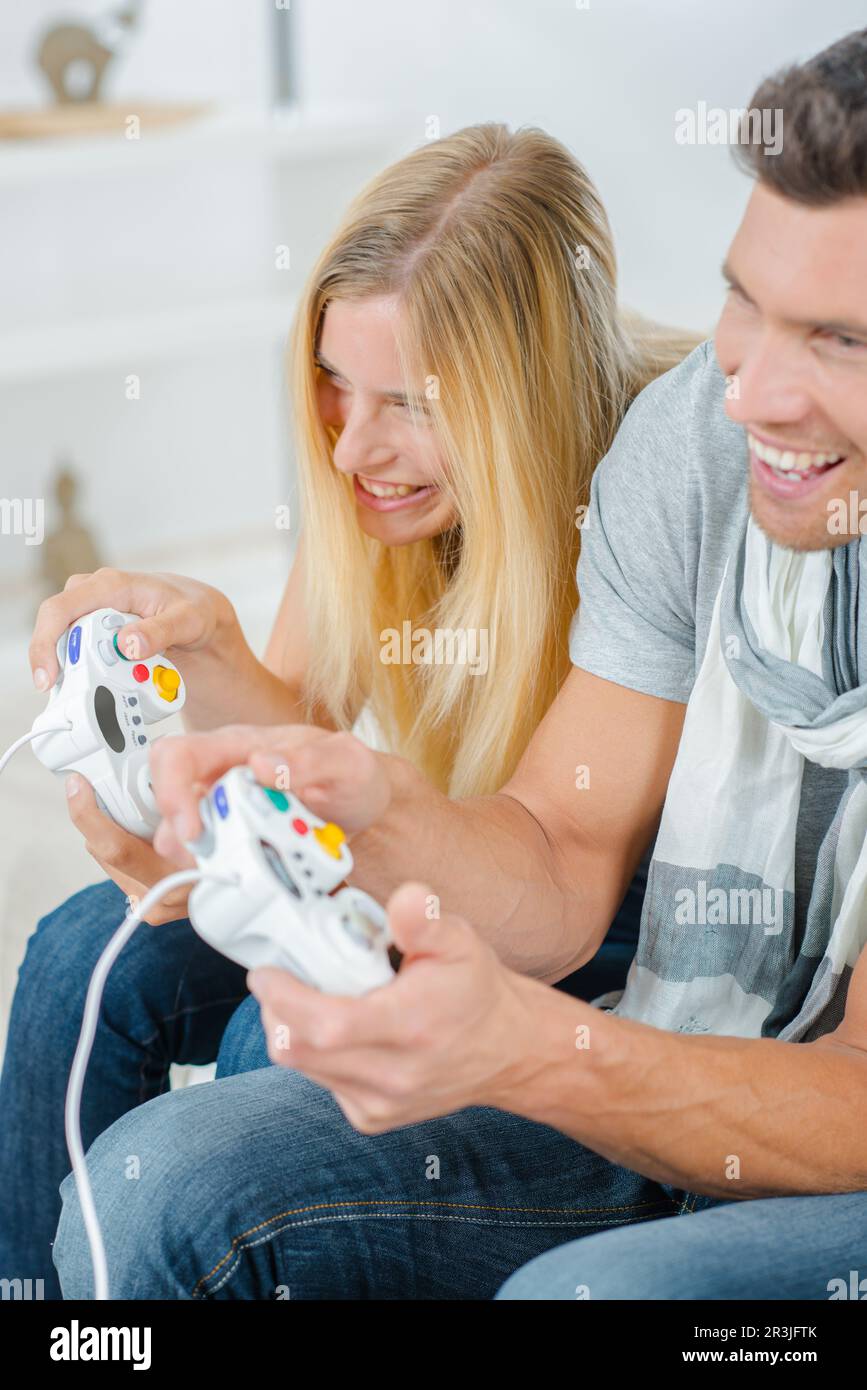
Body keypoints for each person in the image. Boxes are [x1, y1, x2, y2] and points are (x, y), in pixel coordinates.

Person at [49, 27, 867, 1300]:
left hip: (785, 1093)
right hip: (661, 998)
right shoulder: (696, 445)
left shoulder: (619, 464)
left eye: (839, 341)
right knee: (140, 1142)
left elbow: (847, 1095)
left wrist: (523, 1046)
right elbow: (553, 849)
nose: (750, 389)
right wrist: (354, 814)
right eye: (744, 304)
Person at [0, 124, 690, 1297]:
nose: (352, 443)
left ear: (519, 399)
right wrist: (209, 649)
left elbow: (564, 880)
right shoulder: (365, 467)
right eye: (333, 380)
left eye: (412, 404)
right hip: (444, 853)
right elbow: (299, 722)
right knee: (79, 955)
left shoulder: (655, 476)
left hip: (594, 911)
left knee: (254, 1045)